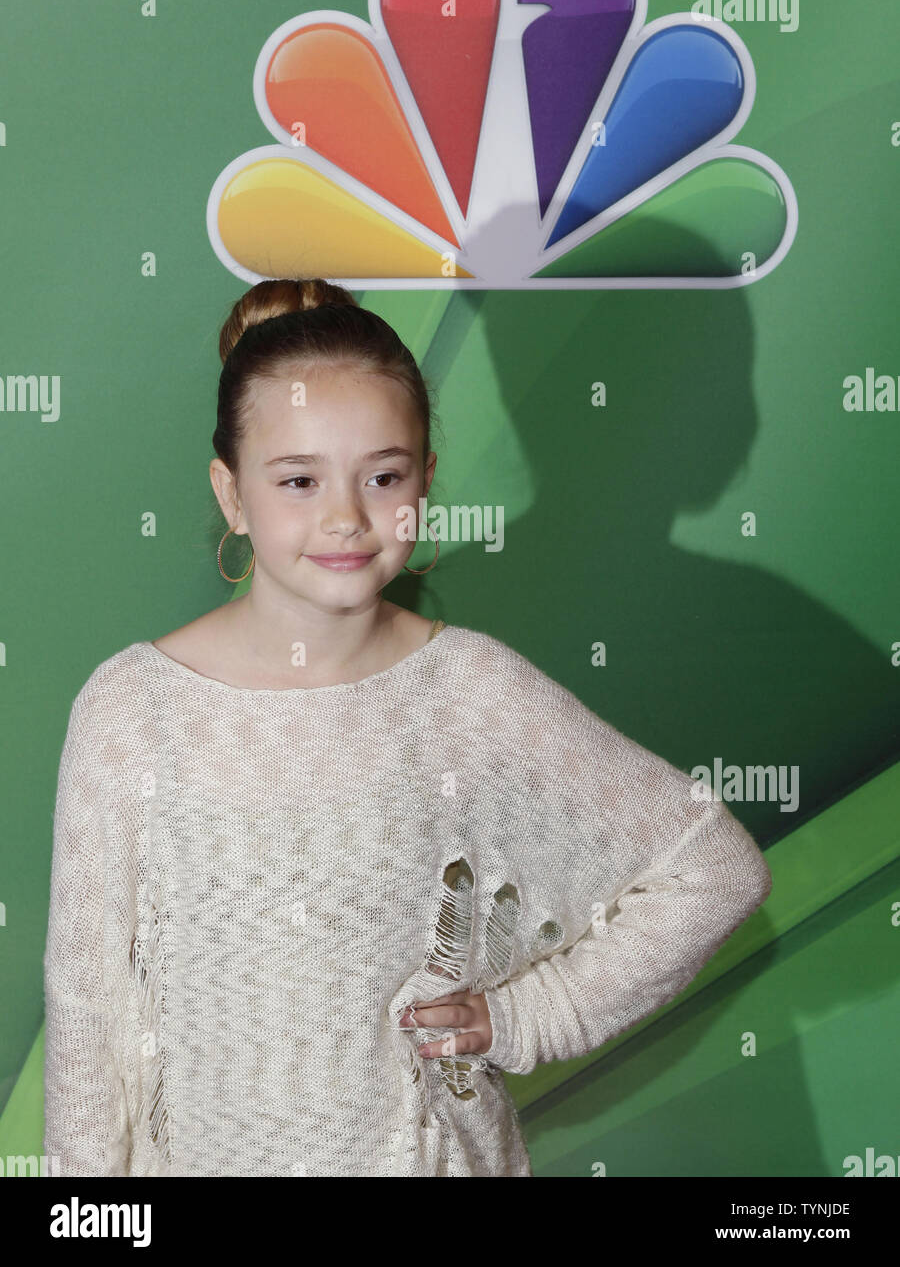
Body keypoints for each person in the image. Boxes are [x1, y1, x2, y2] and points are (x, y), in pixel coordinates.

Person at [42, 277, 772, 1177]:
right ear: (232, 495)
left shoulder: (469, 690)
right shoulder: (131, 711)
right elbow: (89, 1023)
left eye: (382, 476)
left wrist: (527, 1018)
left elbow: (711, 868)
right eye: (299, 480)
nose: (346, 516)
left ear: (426, 479)